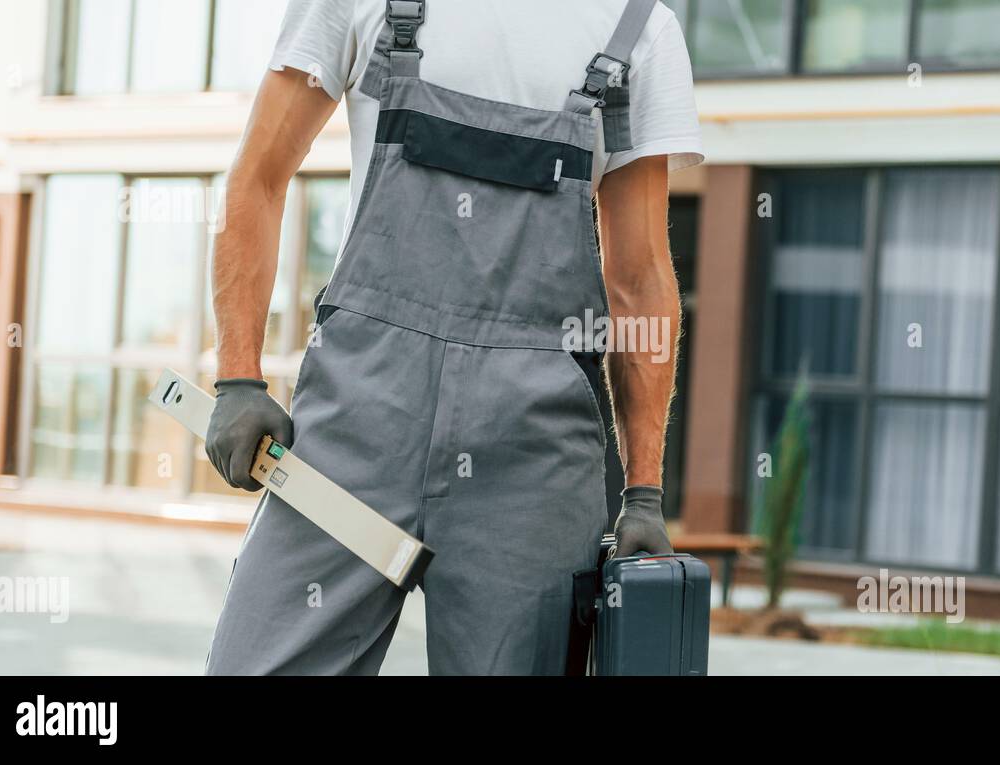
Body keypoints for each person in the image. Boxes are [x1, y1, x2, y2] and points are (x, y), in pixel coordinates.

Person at [202, 0, 704, 675]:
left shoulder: (639, 30)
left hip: (531, 470)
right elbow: (259, 176)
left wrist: (643, 489)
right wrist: (238, 375)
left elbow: (640, 279)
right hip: (357, 435)